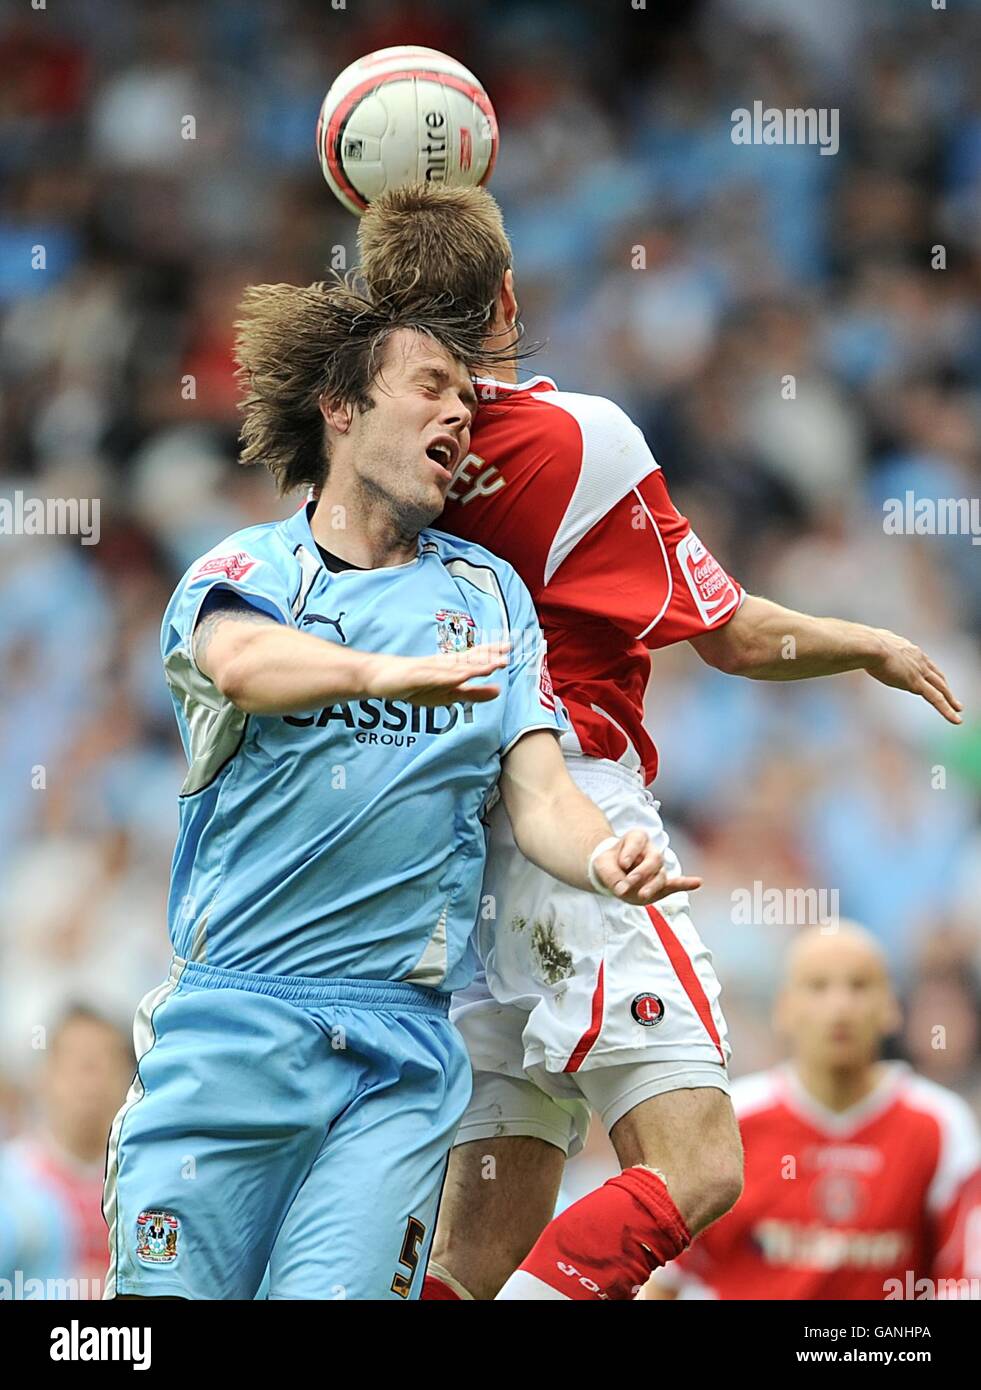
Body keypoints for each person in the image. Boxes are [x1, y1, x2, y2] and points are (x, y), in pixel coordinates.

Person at [356, 183, 964, 1302]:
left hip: (447, 860)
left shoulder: (358, 455)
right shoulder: (576, 439)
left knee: (475, 1256)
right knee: (693, 1169)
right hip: (573, 820)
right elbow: (729, 635)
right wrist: (869, 640)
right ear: (505, 296)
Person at [101, 284, 692, 1301]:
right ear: (341, 405)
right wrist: (381, 672)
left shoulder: (486, 596)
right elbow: (241, 664)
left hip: (399, 1051)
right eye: (430, 386)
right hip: (235, 1024)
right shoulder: (249, 571)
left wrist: (604, 856)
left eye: (468, 396)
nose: (460, 413)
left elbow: (539, 789)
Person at [642, 924, 981, 1300]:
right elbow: (663, 1280)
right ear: (784, 1008)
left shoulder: (940, 1125)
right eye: (818, 986)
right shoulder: (732, 1119)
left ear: (891, 1007)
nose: (840, 1007)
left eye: (859, 986)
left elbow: (963, 1282)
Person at [0, 1005, 131, 1298]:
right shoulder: (10, 1183)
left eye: (105, 1064)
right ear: (43, 1076)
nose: (91, 1083)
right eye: (79, 1064)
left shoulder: (145, 1186)